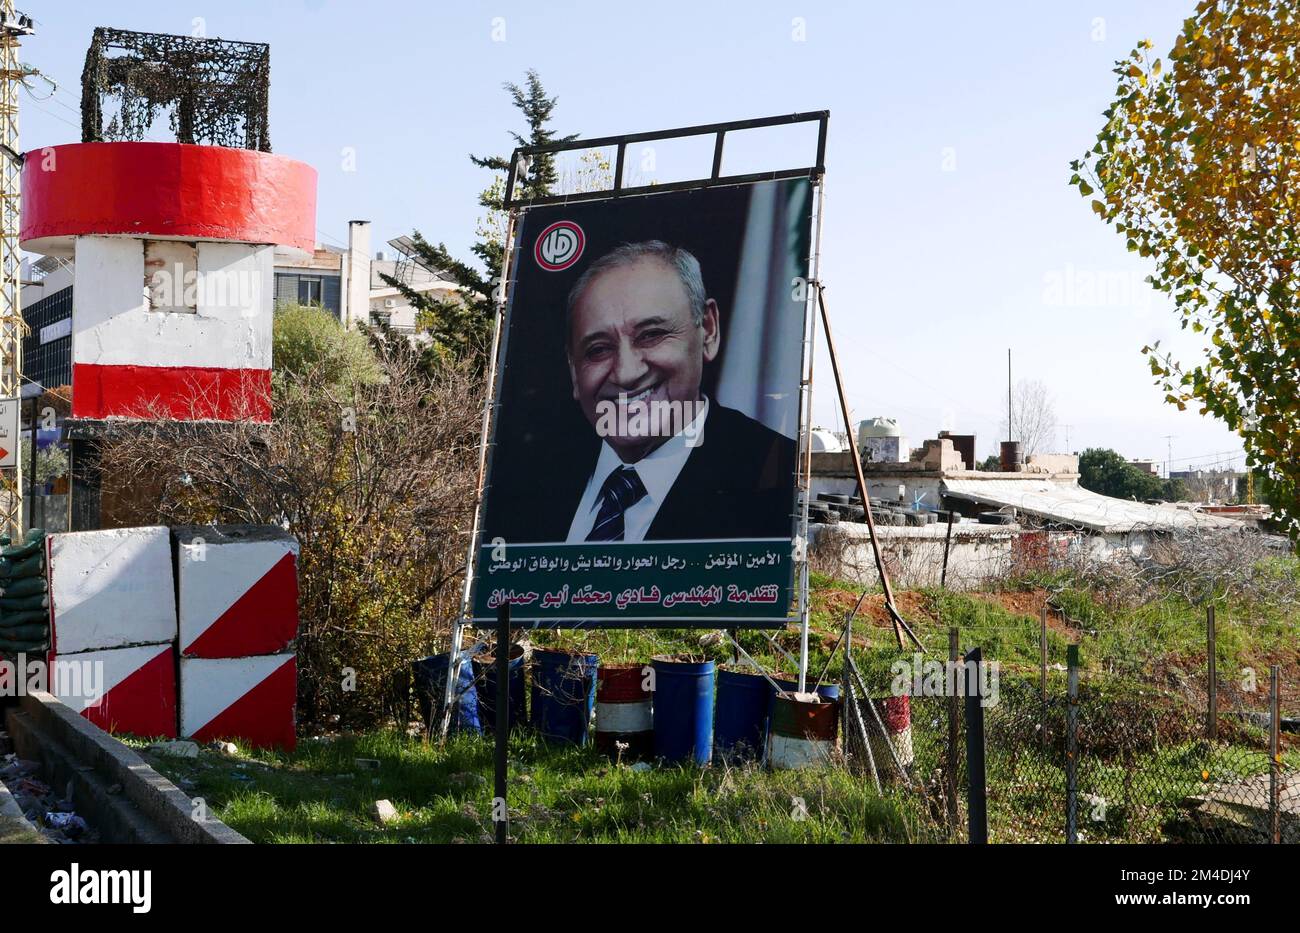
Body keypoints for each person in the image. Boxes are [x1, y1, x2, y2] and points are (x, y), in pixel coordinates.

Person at [486, 239, 796, 544]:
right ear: (573, 372)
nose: (626, 373)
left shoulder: (772, 474)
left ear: (708, 330)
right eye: (598, 350)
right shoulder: (524, 484)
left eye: (651, 335)